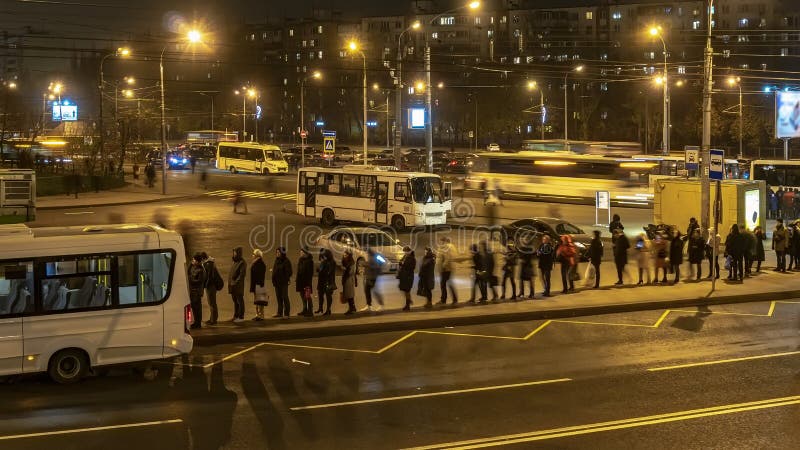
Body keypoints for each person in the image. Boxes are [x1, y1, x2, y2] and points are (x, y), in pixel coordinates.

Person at [201, 252, 222, 325]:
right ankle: (212, 318)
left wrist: (205, 285)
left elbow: (209, 277)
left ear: (203, 258)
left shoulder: (208, 264)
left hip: (211, 286)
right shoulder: (209, 263)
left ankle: (213, 320)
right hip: (210, 286)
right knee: (211, 303)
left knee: (212, 303)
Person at [272, 247, 293, 318]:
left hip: (283, 283)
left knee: (285, 297)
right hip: (277, 283)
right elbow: (274, 270)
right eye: (276, 252)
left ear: (282, 253)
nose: (277, 254)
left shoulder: (286, 261)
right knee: (279, 298)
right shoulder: (276, 260)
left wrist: (285, 278)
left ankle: (287, 313)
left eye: (279, 252)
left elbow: (289, 272)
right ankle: (279, 313)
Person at [437, 237, 458, 304]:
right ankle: (454, 299)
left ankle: (444, 300)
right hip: (448, 268)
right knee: (448, 284)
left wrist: (443, 266)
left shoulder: (446, 247)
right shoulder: (450, 247)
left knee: (443, 284)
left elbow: (447, 258)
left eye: (441, 241)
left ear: (444, 241)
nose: (440, 242)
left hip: (446, 269)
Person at [187, 253, 206, 329]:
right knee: (194, 308)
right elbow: (188, 272)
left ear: (198, 261)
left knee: (197, 308)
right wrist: (190, 265)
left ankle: (198, 323)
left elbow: (199, 281)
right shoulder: (193, 267)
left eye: (194, 260)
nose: (193, 261)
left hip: (197, 292)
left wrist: (190, 280)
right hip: (192, 291)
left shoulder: (201, 270)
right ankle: (196, 322)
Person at [228, 246, 247, 322]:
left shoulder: (242, 262)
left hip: (238, 286)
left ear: (239, 253)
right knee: (235, 301)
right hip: (232, 285)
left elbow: (241, 275)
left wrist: (235, 282)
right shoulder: (235, 261)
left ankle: (241, 317)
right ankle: (236, 316)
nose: (234, 254)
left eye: (235, 252)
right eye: (234, 252)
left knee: (240, 301)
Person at [295, 247, 315, 317]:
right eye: (300, 252)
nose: (300, 253)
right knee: (302, 296)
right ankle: (304, 309)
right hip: (300, 282)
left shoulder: (309, 261)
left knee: (307, 296)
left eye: (302, 252)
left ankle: (310, 311)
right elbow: (299, 271)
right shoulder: (300, 260)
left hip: (306, 282)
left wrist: (308, 283)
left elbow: (310, 273)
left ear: (305, 253)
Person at [315, 250, 336, 315]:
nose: (323, 257)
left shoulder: (332, 262)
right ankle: (320, 308)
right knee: (320, 294)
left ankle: (328, 310)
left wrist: (321, 270)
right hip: (322, 281)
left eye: (324, 255)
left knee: (328, 296)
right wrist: (319, 269)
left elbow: (329, 272)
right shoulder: (324, 262)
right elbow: (320, 270)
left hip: (328, 281)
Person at [250, 249, 268, 320]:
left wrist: (259, 285)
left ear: (257, 256)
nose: (252, 255)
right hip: (256, 284)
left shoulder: (260, 264)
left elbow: (260, 275)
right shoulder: (255, 262)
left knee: (260, 301)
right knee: (257, 301)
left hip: (259, 285)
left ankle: (261, 315)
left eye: (253, 254)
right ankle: (257, 315)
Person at [398, 246, 416, 311]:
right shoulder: (406, 257)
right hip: (405, 276)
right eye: (404, 251)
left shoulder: (411, 258)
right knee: (405, 291)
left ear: (408, 251)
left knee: (407, 291)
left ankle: (408, 305)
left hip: (408, 277)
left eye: (405, 251)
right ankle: (408, 302)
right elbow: (401, 262)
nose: (405, 253)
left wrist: (402, 264)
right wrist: (401, 263)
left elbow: (410, 267)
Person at [341, 249, 357, 314]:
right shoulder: (346, 262)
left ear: (349, 255)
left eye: (345, 255)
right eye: (344, 255)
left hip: (349, 280)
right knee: (348, 295)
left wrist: (344, 269)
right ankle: (352, 308)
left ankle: (352, 308)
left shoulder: (351, 263)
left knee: (349, 295)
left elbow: (351, 272)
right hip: (346, 280)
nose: (344, 256)